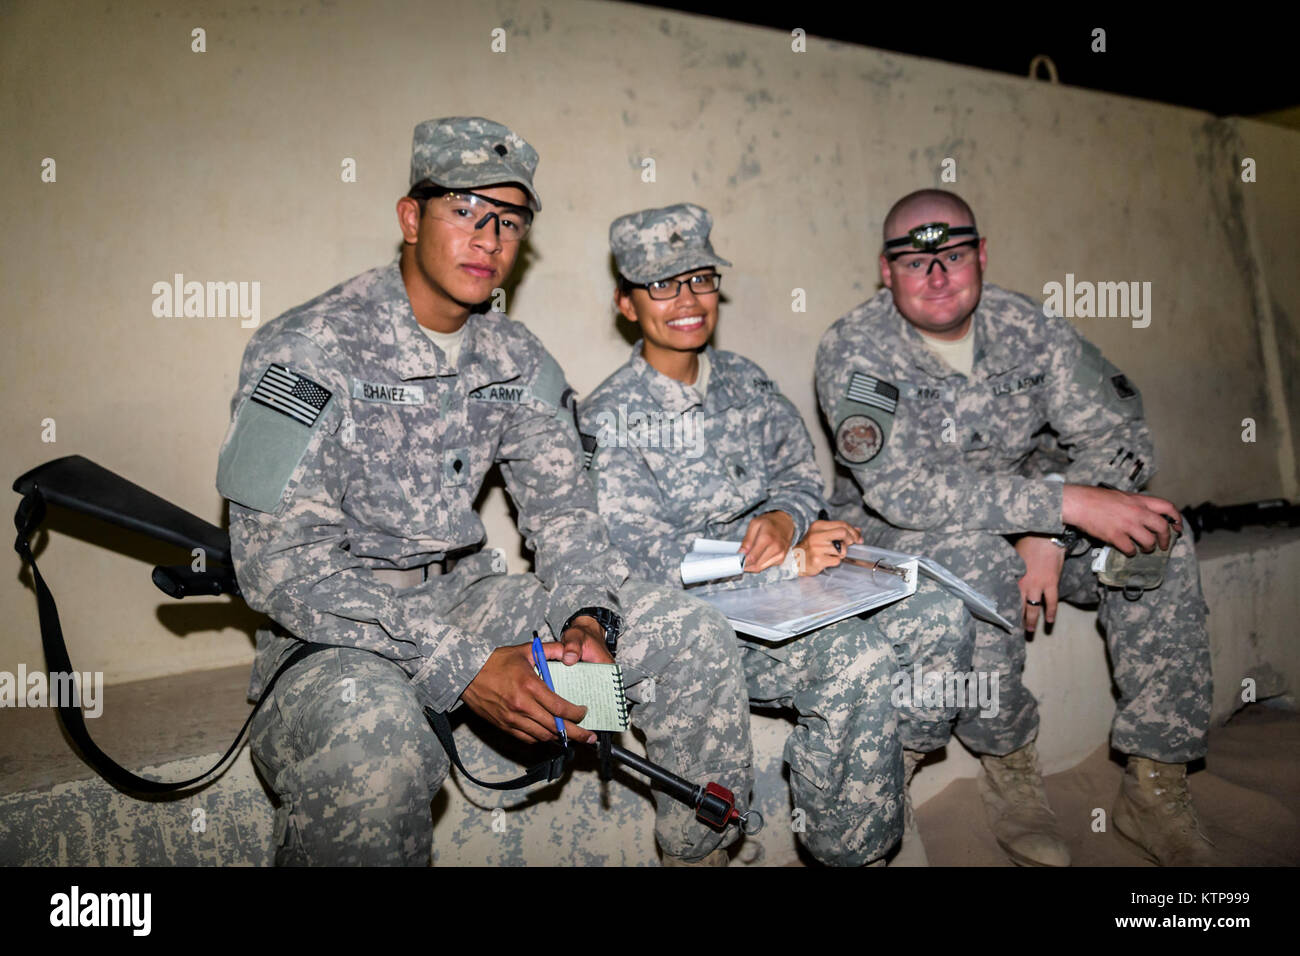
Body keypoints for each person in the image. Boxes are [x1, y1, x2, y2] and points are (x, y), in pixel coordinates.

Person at [216, 119, 753, 866]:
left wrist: (588, 617)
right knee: (375, 747)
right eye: (465, 210)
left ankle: (703, 853)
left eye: (509, 221)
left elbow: (566, 513)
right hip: (334, 628)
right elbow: (278, 568)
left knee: (691, 636)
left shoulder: (514, 355)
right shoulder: (307, 348)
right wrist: (464, 664)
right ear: (411, 217)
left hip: (467, 595)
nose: (489, 238)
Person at [815, 188, 1214, 866]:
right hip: (903, 531)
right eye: (916, 261)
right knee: (976, 564)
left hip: (1039, 516)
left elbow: (1124, 436)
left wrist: (1051, 531)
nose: (937, 275)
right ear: (886, 272)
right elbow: (903, 490)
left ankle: (1156, 781)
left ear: (982, 256)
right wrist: (1058, 508)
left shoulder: (1032, 328)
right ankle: (1012, 768)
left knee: (1158, 544)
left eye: (954, 255)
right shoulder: (858, 349)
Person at [578, 203, 974, 866]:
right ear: (625, 303)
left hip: (788, 587)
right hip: (701, 621)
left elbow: (798, 469)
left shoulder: (746, 382)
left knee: (939, 615)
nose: (688, 300)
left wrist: (786, 517)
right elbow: (637, 556)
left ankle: (882, 783)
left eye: (701, 279)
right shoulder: (605, 419)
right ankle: (851, 850)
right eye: (663, 285)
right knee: (857, 662)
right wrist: (783, 562)